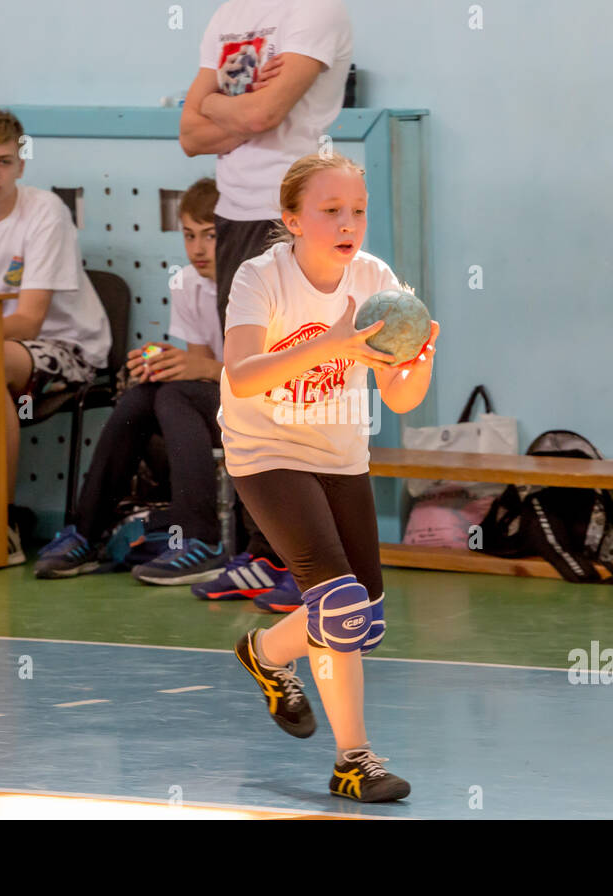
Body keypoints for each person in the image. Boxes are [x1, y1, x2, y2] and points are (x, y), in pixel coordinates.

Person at [226, 152, 438, 802]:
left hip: (339, 454)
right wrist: (333, 344)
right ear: (291, 218)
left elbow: (400, 399)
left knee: (362, 617)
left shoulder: (375, 278)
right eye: (331, 210)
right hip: (265, 450)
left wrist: (421, 356)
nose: (350, 222)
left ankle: (266, 651)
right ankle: (355, 760)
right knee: (339, 602)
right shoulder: (259, 276)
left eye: (359, 210)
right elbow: (242, 374)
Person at [180, 0, 353, 608]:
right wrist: (241, 112)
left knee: (301, 385)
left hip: (295, 218)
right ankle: (260, 551)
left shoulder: (317, 11)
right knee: (247, 388)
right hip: (234, 219)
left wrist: (221, 104)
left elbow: (265, 109)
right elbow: (188, 134)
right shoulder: (228, 15)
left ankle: (309, 562)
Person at [0, 107, 111, 564]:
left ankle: (1, 521)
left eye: (4, 161)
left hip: (70, 347)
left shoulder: (45, 211)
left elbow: (29, 320)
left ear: (20, 166)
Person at [36, 177, 231, 584]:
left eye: (210, 236)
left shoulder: (254, 282)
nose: (197, 249)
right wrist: (164, 363)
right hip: (217, 401)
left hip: (263, 402)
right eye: (189, 235)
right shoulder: (188, 283)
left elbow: (264, 375)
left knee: (173, 393)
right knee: (148, 392)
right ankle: (87, 534)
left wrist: (199, 370)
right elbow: (200, 368)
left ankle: (203, 540)